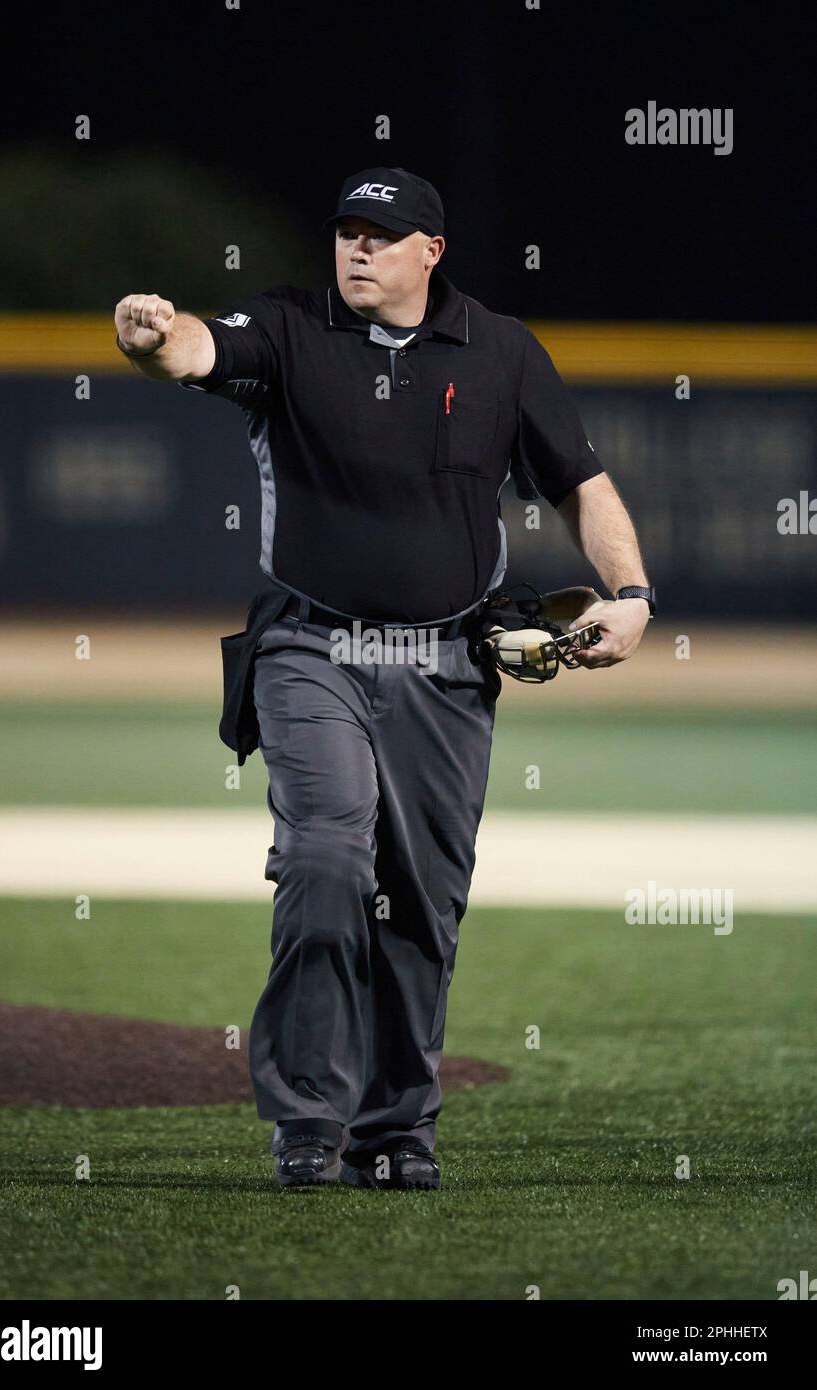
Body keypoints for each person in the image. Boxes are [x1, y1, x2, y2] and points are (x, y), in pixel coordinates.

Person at [114, 165, 654, 1190]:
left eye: (381, 234)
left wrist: (627, 594)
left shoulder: (499, 350)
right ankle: (308, 1116)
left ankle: (394, 1125)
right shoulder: (286, 328)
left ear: (429, 252)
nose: (356, 249)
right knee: (324, 860)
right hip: (309, 649)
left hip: (447, 665)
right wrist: (152, 336)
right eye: (345, 231)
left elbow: (580, 484)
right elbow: (195, 347)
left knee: (419, 905)